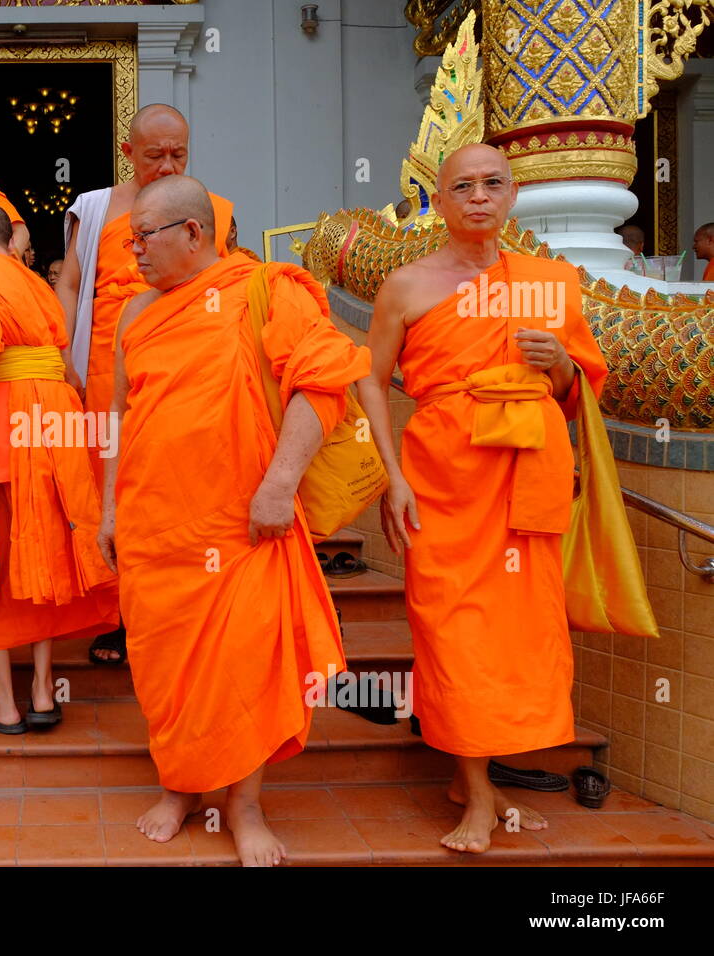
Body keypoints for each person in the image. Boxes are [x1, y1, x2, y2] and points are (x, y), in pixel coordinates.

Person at [97, 175, 369, 865]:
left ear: (194, 232)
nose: (134, 256)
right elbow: (121, 420)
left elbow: (321, 382)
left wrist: (280, 485)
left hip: (243, 526)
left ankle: (243, 805)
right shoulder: (135, 315)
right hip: (155, 524)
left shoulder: (266, 290)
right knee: (164, 666)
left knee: (242, 667)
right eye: (129, 243)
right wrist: (107, 509)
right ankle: (181, 785)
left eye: (144, 239)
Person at [361, 143, 609, 854]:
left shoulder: (550, 282)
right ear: (437, 201)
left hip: (523, 479)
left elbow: (578, 392)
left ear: (512, 196)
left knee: (515, 637)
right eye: (461, 186)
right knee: (450, 634)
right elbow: (371, 381)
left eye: (492, 184)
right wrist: (393, 476)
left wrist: (560, 365)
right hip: (441, 480)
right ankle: (476, 794)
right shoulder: (406, 286)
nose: (478, 196)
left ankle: (476, 784)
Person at [0, 204, 119, 733]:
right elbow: (63, 356)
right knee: (47, 549)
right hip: (56, 419)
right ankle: (41, 691)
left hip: (7, 418)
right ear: (10, 242)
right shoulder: (36, 282)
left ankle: (4, 702)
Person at [56, 103, 233, 666]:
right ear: (128, 152)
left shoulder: (213, 210)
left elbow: (225, 283)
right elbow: (70, 282)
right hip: (111, 368)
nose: (168, 164)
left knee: (179, 491)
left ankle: (183, 609)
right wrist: (67, 354)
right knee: (115, 498)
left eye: (179, 153)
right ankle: (121, 617)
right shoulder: (97, 208)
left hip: (187, 372)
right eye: (154, 154)